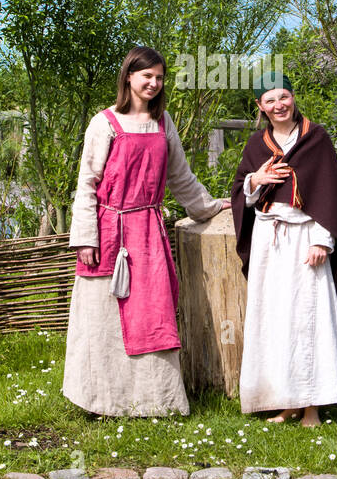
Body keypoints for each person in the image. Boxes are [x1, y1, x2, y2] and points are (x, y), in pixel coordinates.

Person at [64, 46, 229, 417]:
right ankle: (101, 400)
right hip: (108, 231)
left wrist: (210, 207)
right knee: (103, 315)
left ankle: (155, 402)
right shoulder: (103, 123)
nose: (154, 83)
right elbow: (87, 183)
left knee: (152, 315)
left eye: (159, 77)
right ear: (128, 77)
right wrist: (87, 237)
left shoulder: (163, 122)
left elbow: (180, 177)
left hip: (147, 233)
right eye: (146, 76)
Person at [230, 71, 337, 427]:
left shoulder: (316, 139)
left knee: (308, 319)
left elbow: (329, 192)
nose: (278, 105)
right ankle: (284, 401)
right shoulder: (257, 145)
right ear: (259, 106)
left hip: (307, 239)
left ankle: (312, 408)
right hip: (268, 239)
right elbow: (241, 190)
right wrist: (255, 181)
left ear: (293, 97)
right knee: (274, 319)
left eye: (283, 97)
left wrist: (323, 239)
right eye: (269, 100)